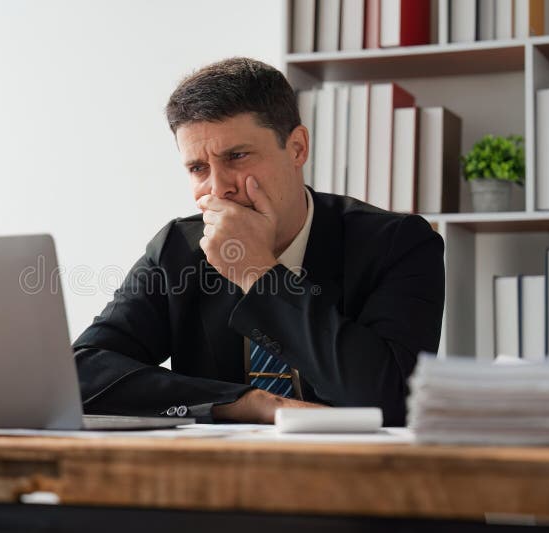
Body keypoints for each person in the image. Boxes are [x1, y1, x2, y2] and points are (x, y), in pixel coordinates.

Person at [73, 57, 444, 426]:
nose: (219, 188)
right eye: (198, 169)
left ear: (297, 148)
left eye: (236, 156)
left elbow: (389, 401)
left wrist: (258, 274)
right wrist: (248, 403)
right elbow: (81, 373)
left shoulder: (399, 244)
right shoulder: (178, 249)